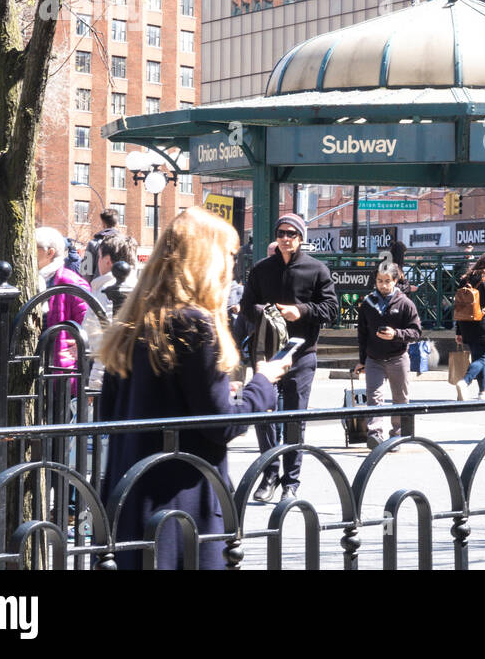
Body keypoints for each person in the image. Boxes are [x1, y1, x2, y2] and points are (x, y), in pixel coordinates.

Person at [97, 207, 291, 570]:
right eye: (230, 256)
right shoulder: (195, 324)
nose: (232, 267)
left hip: (129, 501)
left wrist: (212, 388)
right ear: (208, 260)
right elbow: (222, 424)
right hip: (181, 507)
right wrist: (263, 383)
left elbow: (110, 410)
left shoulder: (134, 320)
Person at [237, 212, 338, 503]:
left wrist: (301, 311)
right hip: (267, 354)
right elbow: (246, 307)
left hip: (302, 353)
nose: (285, 238)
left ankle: (291, 482)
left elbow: (332, 310)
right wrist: (267, 311)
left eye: (291, 234)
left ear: (301, 238)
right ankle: (270, 472)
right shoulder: (260, 269)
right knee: (262, 412)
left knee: (295, 418)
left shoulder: (317, 270)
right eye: (281, 233)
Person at [355, 263, 423, 448]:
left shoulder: (405, 303)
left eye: (387, 281)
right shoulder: (368, 303)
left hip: (397, 356)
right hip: (373, 357)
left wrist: (396, 334)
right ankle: (375, 434)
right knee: (374, 396)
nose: (383, 285)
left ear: (395, 281)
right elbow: (362, 334)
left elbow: (416, 332)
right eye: (379, 281)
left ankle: (397, 435)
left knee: (400, 398)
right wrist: (362, 360)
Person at [36, 227, 92, 375]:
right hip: (41, 360)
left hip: (63, 368)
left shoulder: (70, 281)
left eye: (34, 247)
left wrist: (79, 346)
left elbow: (88, 322)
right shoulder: (37, 279)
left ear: (50, 252)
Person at [452, 252, 485, 400]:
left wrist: (458, 331)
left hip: (464, 323)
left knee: (477, 358)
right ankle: (465, 382)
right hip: (482, 324)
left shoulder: (465, 280)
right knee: (481, 359)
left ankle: (483, 391)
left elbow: (458, 306)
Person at [79, 209, 121, 280]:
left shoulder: (93, 244)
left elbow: (86, 272)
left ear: (103, 224)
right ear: (117, 223)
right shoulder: (126, 243)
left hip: (98, 287)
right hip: (122, 288)